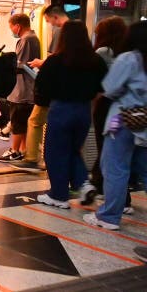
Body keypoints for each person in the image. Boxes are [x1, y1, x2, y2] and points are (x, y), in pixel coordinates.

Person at [33, 21, 106, 209]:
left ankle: (58, 195)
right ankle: (84, 184)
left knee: (55, 152)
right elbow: (103, 88)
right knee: (73, 150)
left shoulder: (56, 60)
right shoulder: (95, 61)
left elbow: (41, 87)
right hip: (84, 111)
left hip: (61, 109)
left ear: (63, 37)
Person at [84, 21, 147, 230]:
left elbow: (110, 88)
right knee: (144, 170)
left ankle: (109, 216)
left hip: (124, 119)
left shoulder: (129, 58)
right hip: (145, 122)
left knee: (115, 168)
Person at [12, 5, 71, 171]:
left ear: (55, 17)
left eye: (49, 21)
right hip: (67, 93)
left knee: (35, 121)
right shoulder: (77, 36)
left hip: (52, 90)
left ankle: (32, 158)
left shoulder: (62, 31)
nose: (50, 25)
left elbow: (55, 60)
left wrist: (41, 63)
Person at [89, 17, 129, 203]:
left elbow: (99, 83)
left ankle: (118, 198)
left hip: (107, 108)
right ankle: (99, 183)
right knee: (119, 152)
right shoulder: (129, 53)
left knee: (106, 148)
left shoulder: (103, 52)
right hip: (127, 108)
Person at [0, 14, 40, 163]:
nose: (11, 31)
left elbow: (19, 64)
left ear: (18, 26)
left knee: (17, 123)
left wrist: (4, 62)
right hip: (28, 90)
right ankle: (22, 150)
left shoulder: (25, 40)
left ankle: (14, 151)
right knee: (23, 123)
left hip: (22, 91)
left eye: (11, 27)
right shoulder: (34, 38)